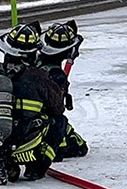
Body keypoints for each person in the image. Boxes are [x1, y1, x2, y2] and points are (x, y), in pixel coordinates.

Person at [0, 23, 68, 186]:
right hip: (27, 148)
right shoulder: (39, 77)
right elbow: (58, 109)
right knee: (60, 122)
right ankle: (37, 167)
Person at [36, 19, 89, 159]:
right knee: (79, 148)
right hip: (42, 124)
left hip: (24, 124)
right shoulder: (56, 76)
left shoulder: (35, 62)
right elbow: (55, 110)